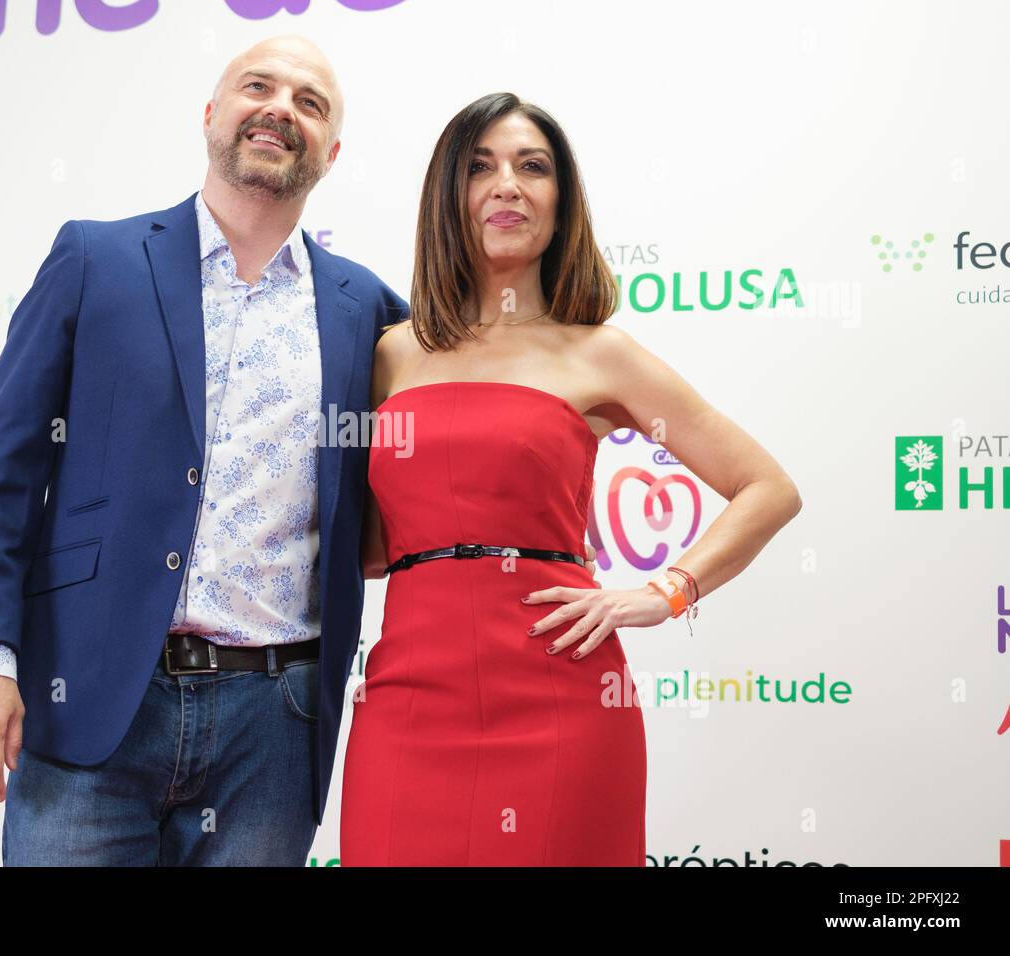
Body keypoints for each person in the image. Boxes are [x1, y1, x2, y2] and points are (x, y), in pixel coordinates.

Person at [0, 35, 409, 865]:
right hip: (89, 698)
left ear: (332, 152)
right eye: (258, 87)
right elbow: (0, 473)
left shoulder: (366, 309)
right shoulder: (95, 258)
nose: (280, 108)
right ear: (212, 114)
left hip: (275, 727)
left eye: (309, 103)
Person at [340, 92, 802, 866]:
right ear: (448, 196)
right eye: (480, 167)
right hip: (406, 701)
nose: (507, 185)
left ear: (562, 202)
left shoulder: (599, 355)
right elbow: (368, 545)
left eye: (533, 167)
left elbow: (768, 487)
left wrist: (667, 591)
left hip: (558, 698)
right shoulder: (391, 354)